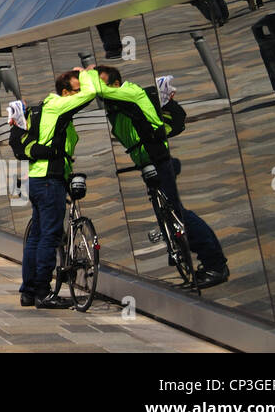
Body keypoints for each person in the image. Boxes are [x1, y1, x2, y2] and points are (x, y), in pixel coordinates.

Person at [95, 66, 229, 288]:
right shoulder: (114, 105)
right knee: (164, 212)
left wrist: (85, 75)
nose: (98, 91)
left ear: (116, 85)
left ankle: (215, 264)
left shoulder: (129, 93)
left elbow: (95, 88)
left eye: (102, 84)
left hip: (158, 162)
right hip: (148, 164)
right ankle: (177, 248)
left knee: (177, 212)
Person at [20, 67, 99, 309]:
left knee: (36, 237)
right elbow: (91, 92)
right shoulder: (57, 105)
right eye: (74, 90)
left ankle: (29, 292)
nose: (78, 94)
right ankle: (44, 292)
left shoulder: (49, 108)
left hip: (37, 177)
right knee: (49, 236)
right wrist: (85, 73)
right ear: (66, 92)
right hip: (48, 180)